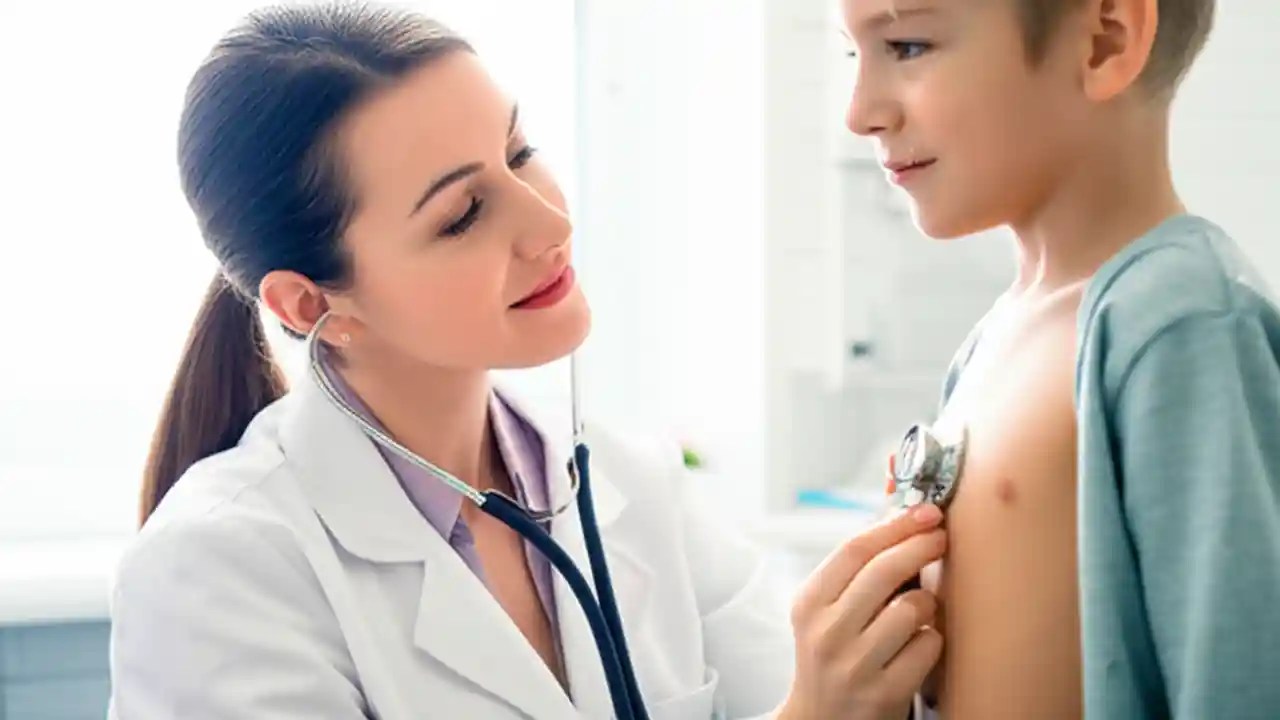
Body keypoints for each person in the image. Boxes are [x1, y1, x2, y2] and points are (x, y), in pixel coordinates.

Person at [108, 3, 948, 718]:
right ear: (309, 305)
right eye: (462, 214)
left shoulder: (629, 484)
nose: (550, 224)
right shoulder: (217, 573)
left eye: (518, 153)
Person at [844, 0, 1280, 717]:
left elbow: (1238, 686)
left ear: (1104, 40)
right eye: (852, 54)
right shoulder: (993, 341)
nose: (860, 113)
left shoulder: (1182, 325)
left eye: (909, 46)